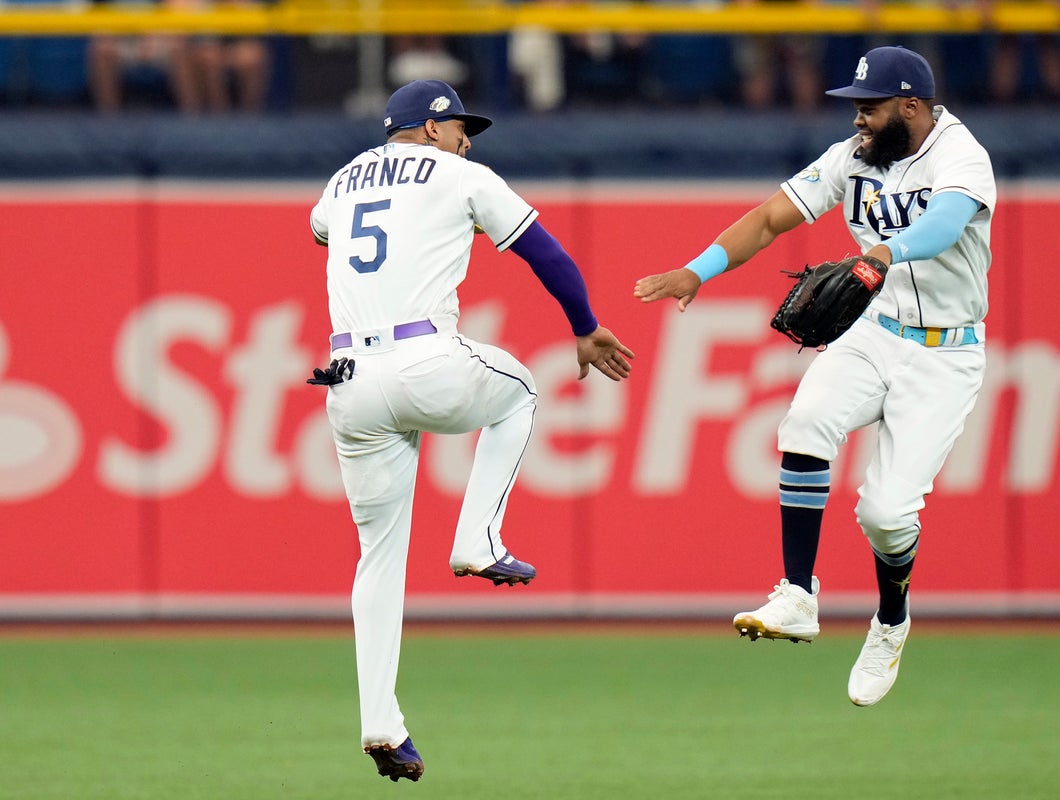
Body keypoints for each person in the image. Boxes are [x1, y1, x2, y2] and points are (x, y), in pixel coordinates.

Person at [634, 46, 995, 707]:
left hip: (947, 353)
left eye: (870, 107)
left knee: (886, 516)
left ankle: (891, 621)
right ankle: (798, 594)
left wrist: (888, 249)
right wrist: (698, 270)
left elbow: (944, 224)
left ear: (910, 107)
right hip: (876, 330)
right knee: (803, 423)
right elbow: (773, 217)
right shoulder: (853, 158)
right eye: (855, 107)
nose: (859, 119)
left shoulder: (959, 155)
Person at [308, 79, 635, 782]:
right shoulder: (460, 173)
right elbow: (547, 253)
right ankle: (477, 538)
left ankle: (380, 724)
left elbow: (321, 229)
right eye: (459, 126)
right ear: (428, 128)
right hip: (424, 357)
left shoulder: (341, 180)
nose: (467, 138)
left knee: (378, 559)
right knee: (519, 391)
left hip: (348, 379)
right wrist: (584, 327)